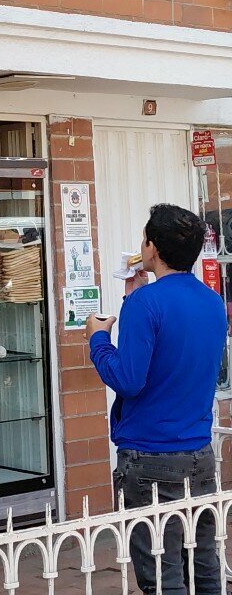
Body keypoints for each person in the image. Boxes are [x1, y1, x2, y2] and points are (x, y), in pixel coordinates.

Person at [86, 204, 227, 595]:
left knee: (162, 575)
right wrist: (133, 298)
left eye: (144, 238)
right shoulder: (212, 301)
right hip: (199, 453)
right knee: (204, 566)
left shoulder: (145, 304)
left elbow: (128, 380)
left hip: (150, 456)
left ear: (152, 248)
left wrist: (98, 339)